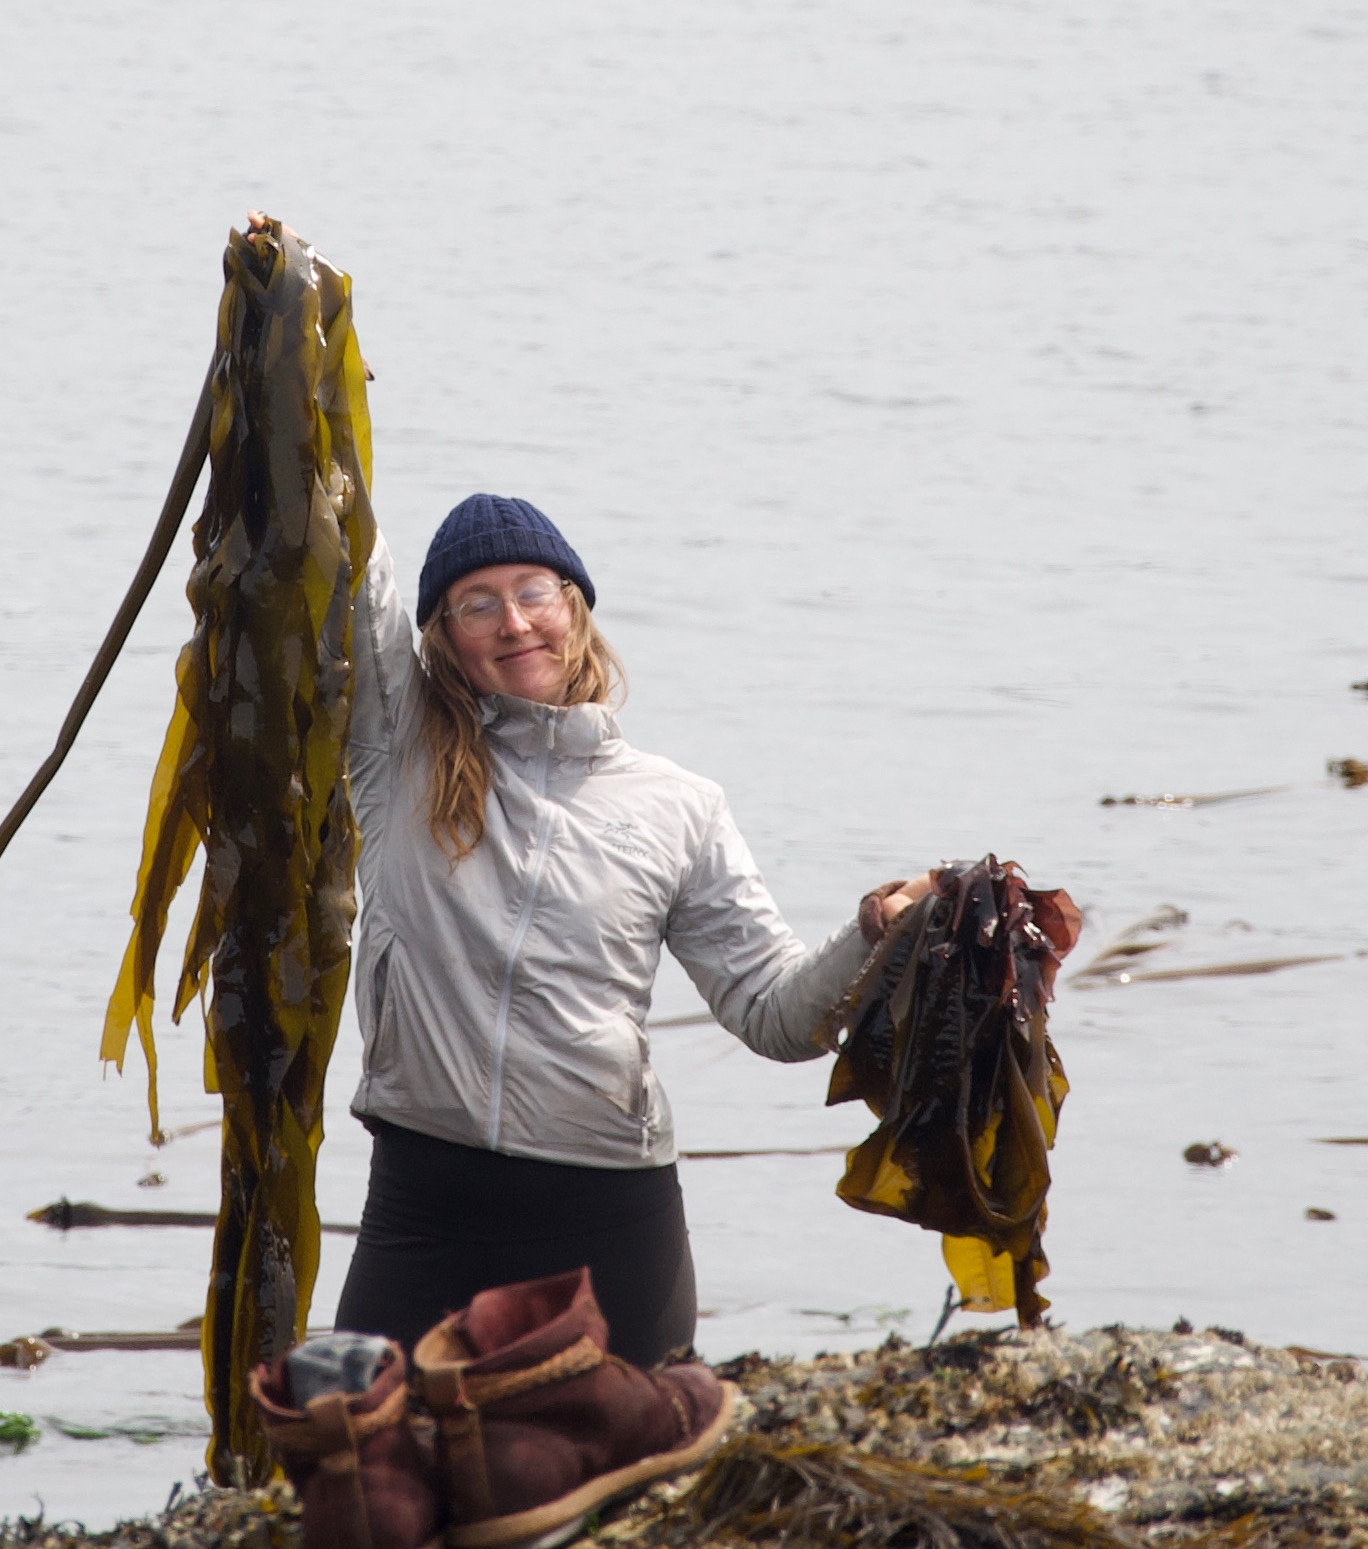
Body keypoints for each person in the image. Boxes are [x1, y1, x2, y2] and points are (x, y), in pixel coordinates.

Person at [333, 494, 930, 1367]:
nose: (513, 621)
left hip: (608, 1213)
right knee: (359, 1460)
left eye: (534, 590)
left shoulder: (678, 806)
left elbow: (773, 1012)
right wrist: (306, 357)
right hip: (425, 1204)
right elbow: (344, 554)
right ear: (440, 635)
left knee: (632, 1485)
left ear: (574, 606)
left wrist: (873, 935)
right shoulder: (397, 746)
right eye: (477, 603)